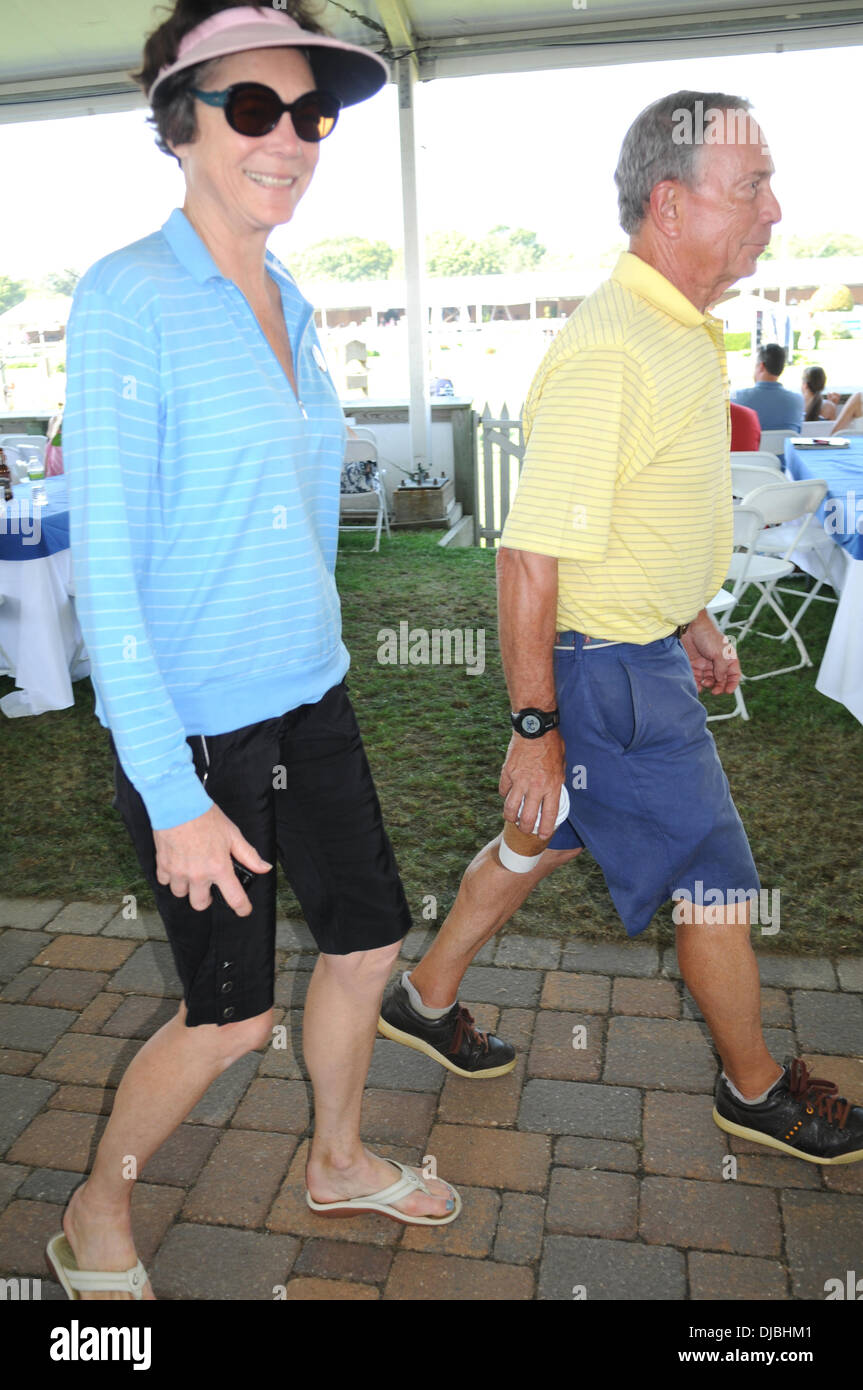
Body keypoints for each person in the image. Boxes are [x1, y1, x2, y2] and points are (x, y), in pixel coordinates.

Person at [55, 0, 460, 1303]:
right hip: (203, 728)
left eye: (310, 112)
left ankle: (335, 1160)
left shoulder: (288, 295)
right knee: (229, 1015)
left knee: (365, 942)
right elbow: (103, 559)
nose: (288, 137)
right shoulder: (131, 295)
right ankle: (91, 1211)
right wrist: (169, 787)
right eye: (251, 107)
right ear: (181, 124)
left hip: (310, 694)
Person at [380, 90, 863, 1167]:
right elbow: (526, 555)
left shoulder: (675, 333)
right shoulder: (615, 349)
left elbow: (646, 506)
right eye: (751, 186)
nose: (774, 211)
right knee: (716, 873)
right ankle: (752, 1091)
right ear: (670, 202)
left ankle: (422, 996)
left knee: (540, 837)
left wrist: (688, 614)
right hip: (607, 678)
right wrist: (532, 724)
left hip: (634, 652)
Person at [732, 342, 803, 432]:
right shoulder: (798, 400)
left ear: (761, 367)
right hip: (783, 446)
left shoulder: (736, 397)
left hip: (752, 446)